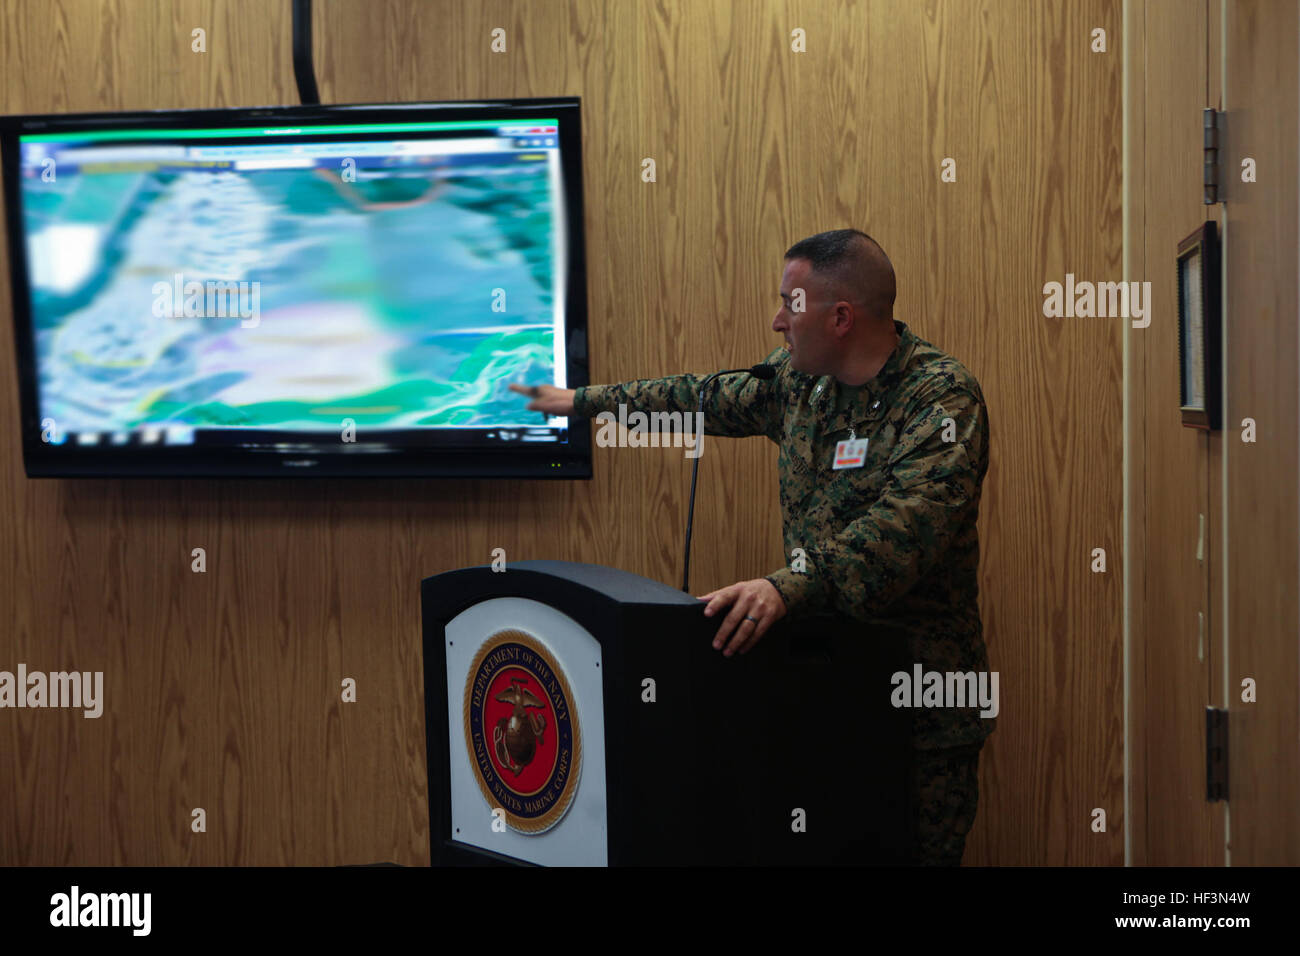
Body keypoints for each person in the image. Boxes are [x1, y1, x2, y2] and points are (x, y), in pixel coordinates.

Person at [510, 228, 995, 865]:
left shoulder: (940, 398)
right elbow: (696, 397)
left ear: (840, 317)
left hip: (917, 709)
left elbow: (901, 534)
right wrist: (581, 402)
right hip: (819, 692)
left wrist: (782, 587)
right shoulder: (799, 386)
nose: (777, 322)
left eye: (789, 304)